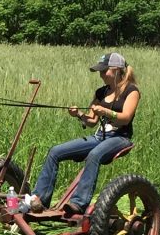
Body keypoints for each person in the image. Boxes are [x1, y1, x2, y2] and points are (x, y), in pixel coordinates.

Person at [22, 52, 140, 216]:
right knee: (55, 152)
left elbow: (126, 118)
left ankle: (78, 203)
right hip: (99, 137)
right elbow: (91, 121)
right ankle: (40, 200)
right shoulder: (101, 92)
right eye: (99, 71)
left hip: (120, 138)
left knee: (95, 154)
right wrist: (78, 114)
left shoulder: (131, 91)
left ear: (116, 70)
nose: (100, 74)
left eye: (104, 70)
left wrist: (106, 111)